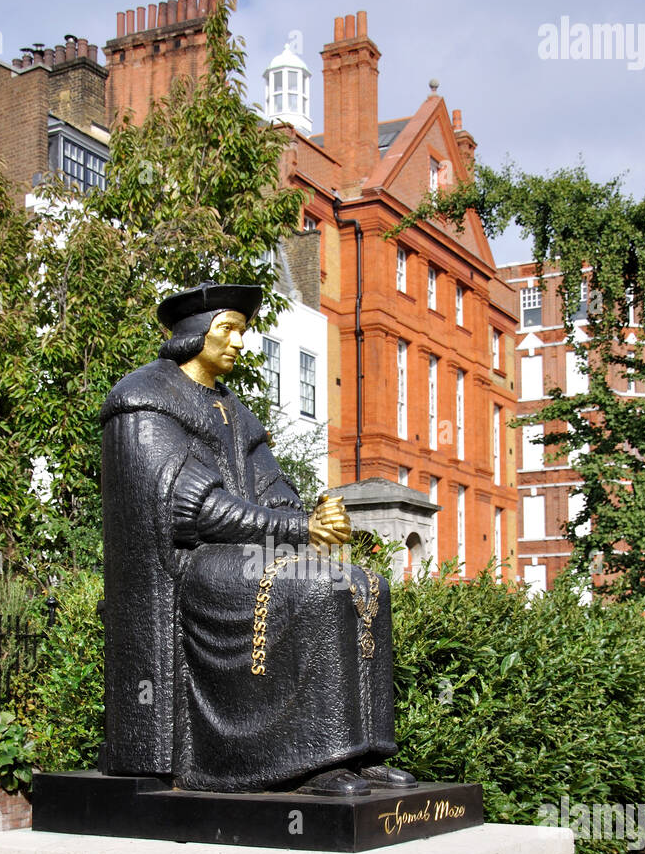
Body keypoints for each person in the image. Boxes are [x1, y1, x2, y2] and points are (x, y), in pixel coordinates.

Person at [99, 281, 416, 796]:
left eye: (241, 331)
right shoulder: (143, 398)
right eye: (227, 330)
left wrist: (313, 516)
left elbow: (273, 488)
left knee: (365, 585)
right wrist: (296, 530)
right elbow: (195, 507)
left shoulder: (237, 412)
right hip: (191, 565)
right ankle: (317, 760)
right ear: (193, 334)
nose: (238, 343)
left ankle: (363, 752)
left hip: (242, 551)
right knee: (317, 588)